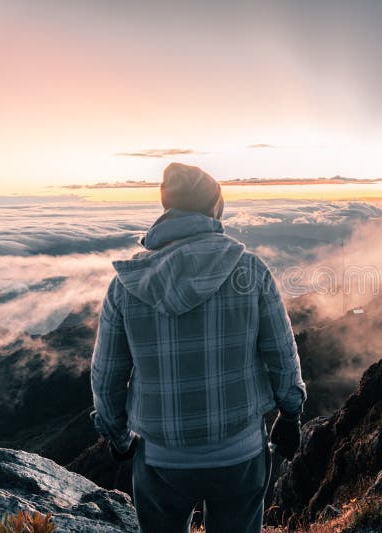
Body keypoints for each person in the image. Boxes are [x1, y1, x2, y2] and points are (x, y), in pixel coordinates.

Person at [90, 162, 306, 533]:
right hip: (239, 455)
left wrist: (119, 437)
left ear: (167, 209)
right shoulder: (250, 272)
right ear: (215, 208)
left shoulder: (126, 285)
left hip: (161, 459)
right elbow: (281, 356)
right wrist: (290, 415)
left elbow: (107, 377)